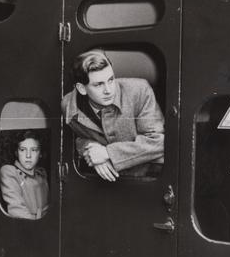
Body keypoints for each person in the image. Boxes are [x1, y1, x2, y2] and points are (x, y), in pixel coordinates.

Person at [62, 49, 164, 181]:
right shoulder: (69, 105)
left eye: (111, 80)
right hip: (102, 182)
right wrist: (90, 150)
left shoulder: (140, 90)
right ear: (82, 88)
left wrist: (107, 153)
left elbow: (158, 142)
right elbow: (79, 138)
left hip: (148, 179)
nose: (109, 90)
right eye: (99, 85)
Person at [0, 130, 49, 220]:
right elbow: (17, 211)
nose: (28, 155)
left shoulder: (42, 174)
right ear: (16, 153)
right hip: (24, 228)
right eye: (22, 150)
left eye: (34, 150)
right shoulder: (9, 172)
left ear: (40, 154)